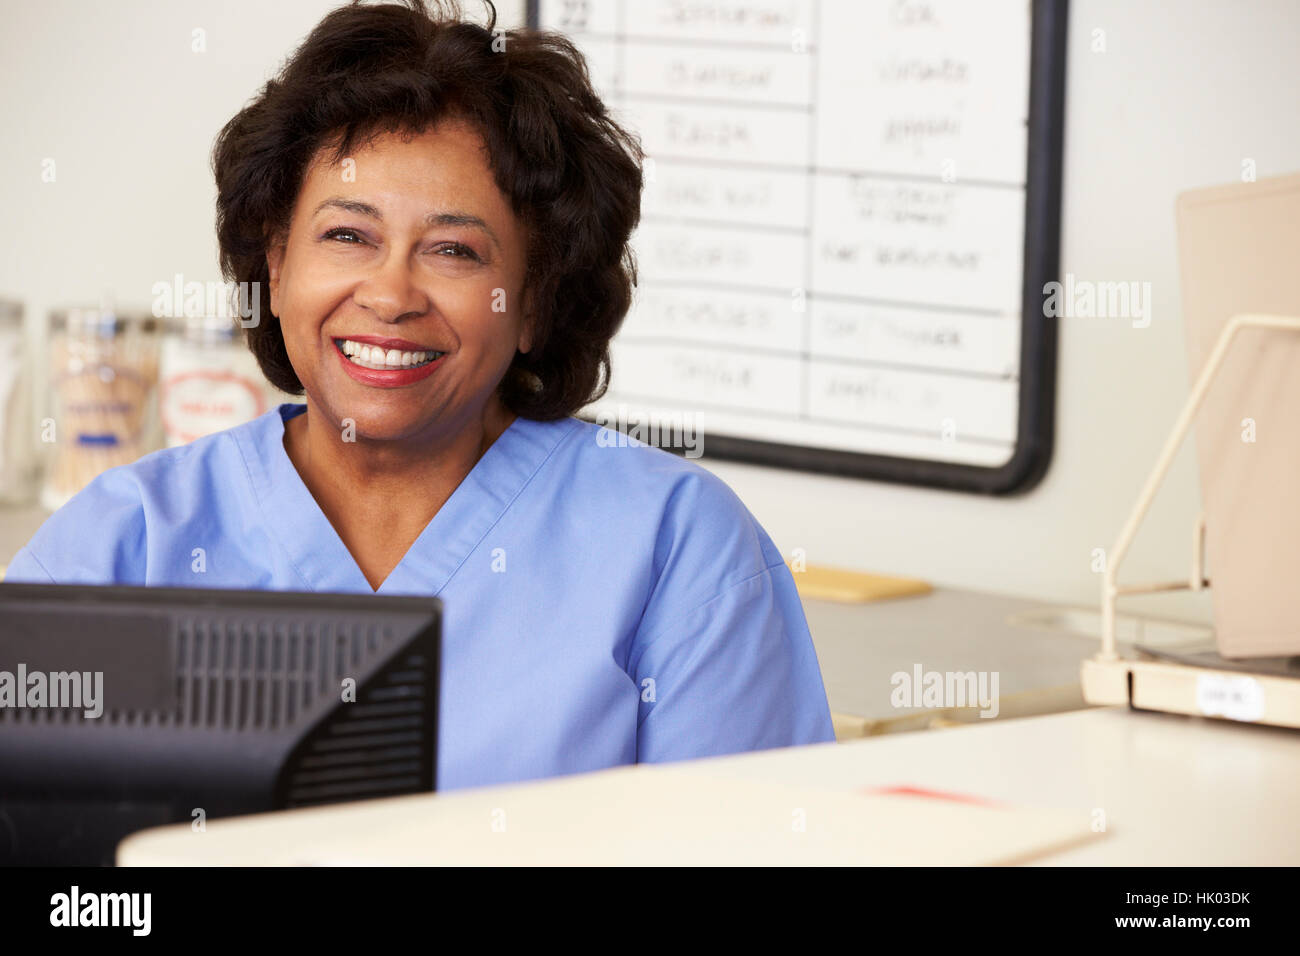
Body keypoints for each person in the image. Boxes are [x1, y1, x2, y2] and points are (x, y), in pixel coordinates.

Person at [5, 0, 835, 789]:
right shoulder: (125, 545)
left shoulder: (679, 551)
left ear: (535, 302)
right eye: (347, 235)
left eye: (454, 251)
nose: (391, 294)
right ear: (278, 264)